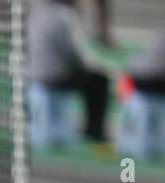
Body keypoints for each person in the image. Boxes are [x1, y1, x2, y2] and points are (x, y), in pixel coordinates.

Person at [28, 0, 114, 147]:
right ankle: (94, 131)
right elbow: (76, 56)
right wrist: (99, 68)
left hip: (32, 76)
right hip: (54, 77)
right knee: (100, 79)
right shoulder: (64, 16)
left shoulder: (37, 12)